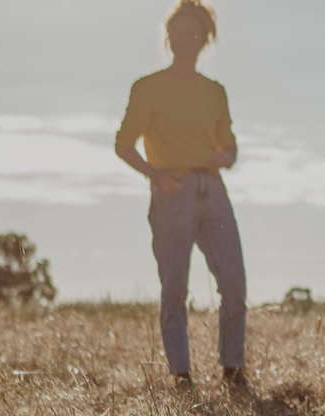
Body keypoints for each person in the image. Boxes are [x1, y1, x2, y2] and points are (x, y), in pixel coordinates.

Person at [115, 0, 247, 390]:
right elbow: (123, 144)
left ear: (205, 40)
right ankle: (181, 374)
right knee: (175, 286)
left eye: (194, 32)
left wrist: (227, 155)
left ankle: (233, 369)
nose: (184, 38)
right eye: (178, 31)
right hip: (172, 193)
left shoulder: (215, 92)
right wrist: (155, 175)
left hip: (214, 191)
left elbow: (230, 144)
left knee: (235, 283)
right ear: (167, 36)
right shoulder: (147, 88)